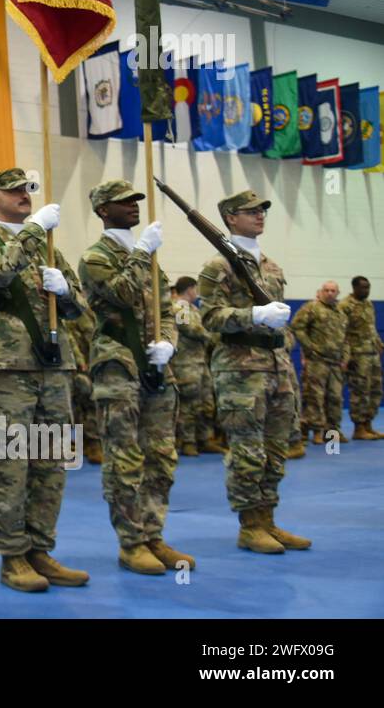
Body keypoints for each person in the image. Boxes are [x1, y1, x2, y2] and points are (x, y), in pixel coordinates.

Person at [0, 168, 90, 593]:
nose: (23, 196)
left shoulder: (50, 248)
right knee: (9, 467)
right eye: (14, 191)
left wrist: (66, 292)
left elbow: (79, 308)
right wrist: (32, 231)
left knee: (51, 466)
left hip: (53, 370)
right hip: (5, 373)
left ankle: (40, 550)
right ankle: (12, 555)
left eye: (27, 190)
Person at [78, 180, 187, 575]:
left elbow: (167, 311)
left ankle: (153, 534)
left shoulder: (150, 260)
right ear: (104, 210)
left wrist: (169, 344)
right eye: (124, 202)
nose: (134, 207)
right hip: (118, 367)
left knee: (160, 457)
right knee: (125, 459)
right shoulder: (94, 257)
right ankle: (130, 542)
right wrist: (142, 251)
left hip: (156, 369)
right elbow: (120, 294)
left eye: (136, 201)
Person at [198, 189, 310, 554]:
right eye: (250, 211)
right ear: (231, 218)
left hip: (277, 367)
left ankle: (268, 520)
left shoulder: (272, 266)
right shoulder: (217, 267)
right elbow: (210, 317)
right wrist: (254, 315)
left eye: (262, 210)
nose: (260, 215)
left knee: (276, 450)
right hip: (240, 371)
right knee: (247, 452)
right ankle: (249, 526)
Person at [289, 281, 348, 445]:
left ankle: (332, 432)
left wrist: (345, 357)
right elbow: (296, 327)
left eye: (333, 291)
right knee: (314, 397)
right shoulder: (311, 308)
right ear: (321, 292)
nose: (329, 293)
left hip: (335, 363)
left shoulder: (341, 313)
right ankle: (316, 431)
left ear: (338, 293)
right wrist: (310, 347)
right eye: (326, 290)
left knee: (335, 398)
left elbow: (345, 338)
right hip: (317, 362)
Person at [170, 276, 209, 456]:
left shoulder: (192, 308)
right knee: (188, 404)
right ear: (190, 289)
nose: (197, 292)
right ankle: (188, 442)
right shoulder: (180, 307)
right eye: (195, 289)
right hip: (185, 363)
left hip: (198, 361)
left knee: (203, 402)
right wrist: (212, 335)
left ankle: (204, 439)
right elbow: (188, 328)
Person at [342, 277, 383, 440]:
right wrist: (346, 356)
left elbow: (371, 329)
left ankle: (368, 425)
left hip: (372, 354)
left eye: (368, 288)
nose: (366, 291)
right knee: (360, 392)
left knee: (375, 390)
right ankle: (358, 428)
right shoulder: (345, 306)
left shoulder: (368, 304)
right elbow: (341, 333)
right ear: (354, 288)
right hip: (357, 356)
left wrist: (379, 344)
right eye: (363, 288)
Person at [66, 307, 100, 464]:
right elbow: (70, 337)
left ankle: (92, 442)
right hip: (72, 363)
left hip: (90, 361)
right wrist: (79, 360)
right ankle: (71, 443)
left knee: (90, 402)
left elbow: (93, 335)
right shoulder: (70, 306)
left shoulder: (89, 310)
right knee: (70, 405)